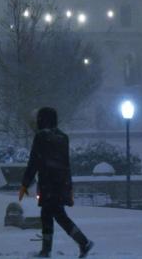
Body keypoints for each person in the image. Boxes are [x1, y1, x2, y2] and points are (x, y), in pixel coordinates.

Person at [19, 107, 93, 258]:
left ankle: (82, 242)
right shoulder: (63, 137)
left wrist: (25, 183)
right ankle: (48, 250)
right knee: (49, 214)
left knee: (56, 215)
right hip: (61, 183)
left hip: (48, 183)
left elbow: (34, 161)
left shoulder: (41, 137)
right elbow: (65, 163)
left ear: (42, 119)